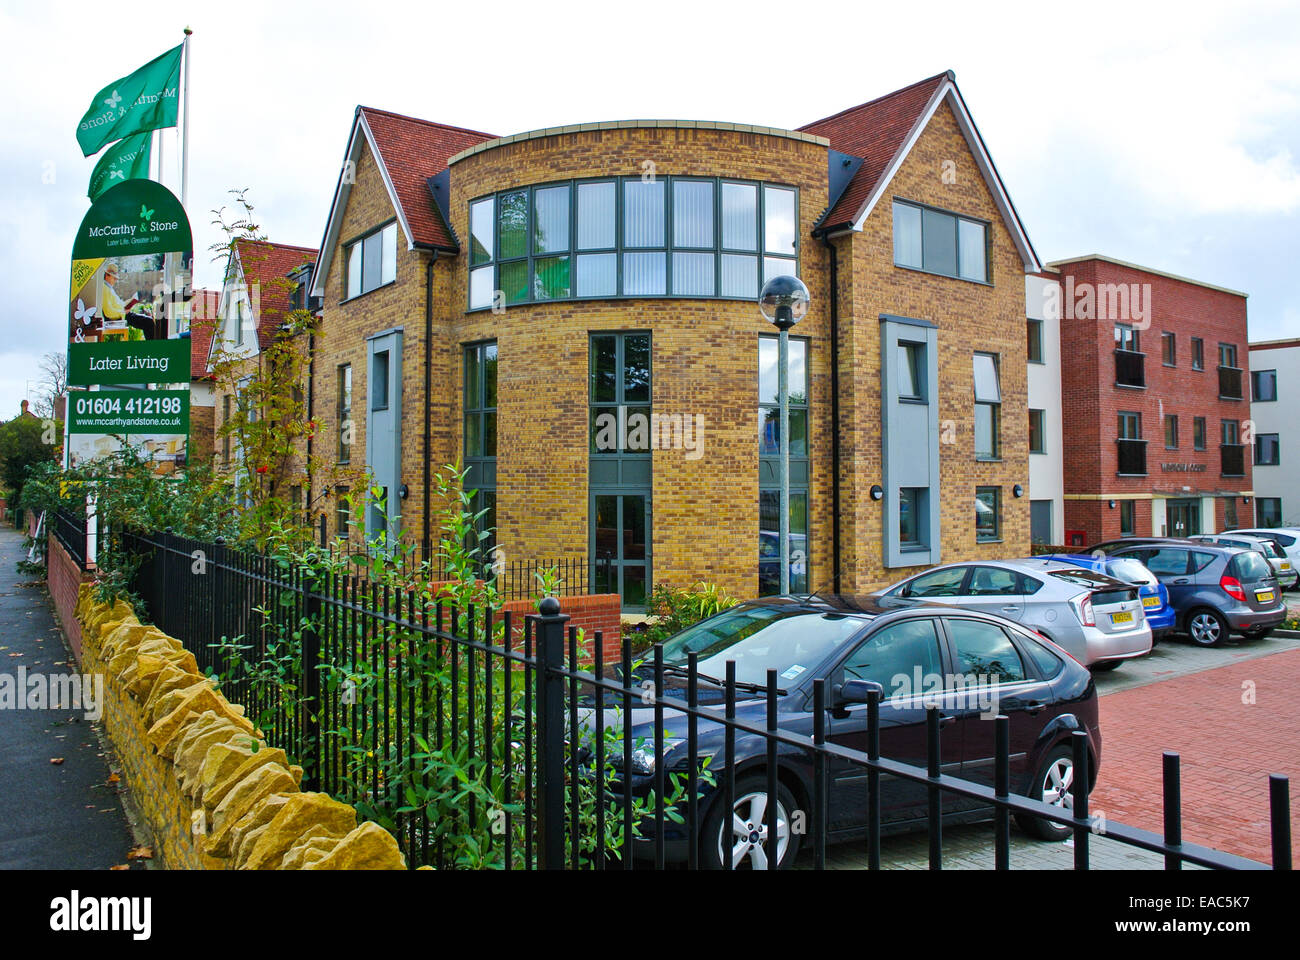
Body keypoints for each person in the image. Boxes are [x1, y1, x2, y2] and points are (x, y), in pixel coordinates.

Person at [100, 262, 157, 340]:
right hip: (122, 317)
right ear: (107, 276)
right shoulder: (105, 289)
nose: (115, 280)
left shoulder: (109, 288)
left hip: (124, 314)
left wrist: (130, 301)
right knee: (149, 322)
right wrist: (123, 312)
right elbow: (108, 312)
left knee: (148, 320)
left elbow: (118, 304)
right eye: (114, 278)